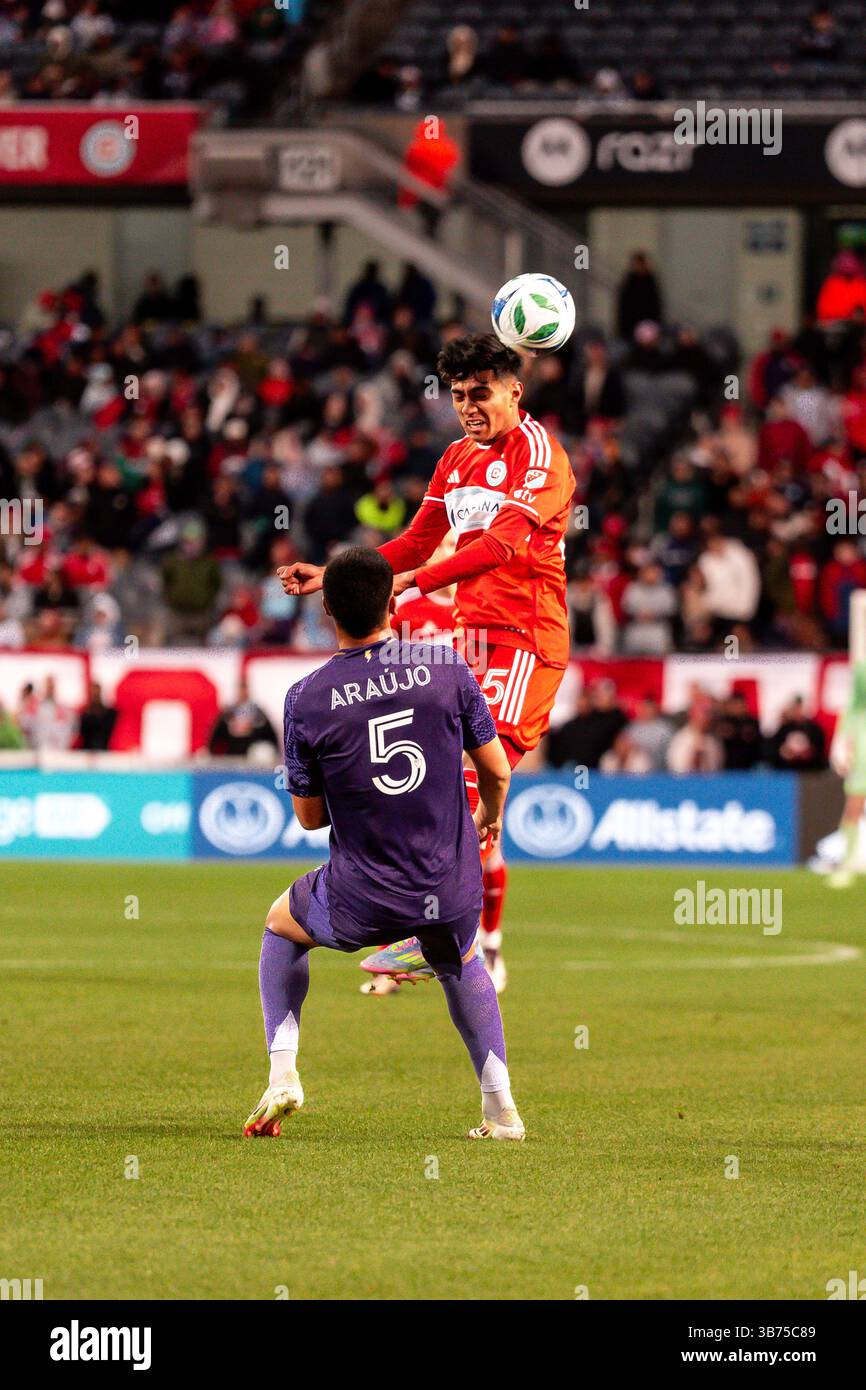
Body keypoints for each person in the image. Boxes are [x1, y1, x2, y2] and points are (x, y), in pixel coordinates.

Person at [278, 334, 575, 995]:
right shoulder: (454, 459)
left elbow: (501, 545)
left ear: (513, 391)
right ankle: (444, 937)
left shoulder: (540, 455)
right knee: (439, 786)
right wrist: (335, 573)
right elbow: (415, 541)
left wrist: (409, 583)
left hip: (527, 639)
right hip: (472, 639)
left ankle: (453, 937)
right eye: (458, 395)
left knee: (471, 782)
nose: (469, 407)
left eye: (482, 394)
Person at [243, 547, 523, 1141]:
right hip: (447, 888)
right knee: (460, 959)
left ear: (326, 610)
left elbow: (311, 819)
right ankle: (500, 1109)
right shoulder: (446, 667)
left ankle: (283, 1075)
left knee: (279, 926)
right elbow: (496, 770)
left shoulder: (306, 698)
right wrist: (488, 816)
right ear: (391, 603)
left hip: (361, 894)